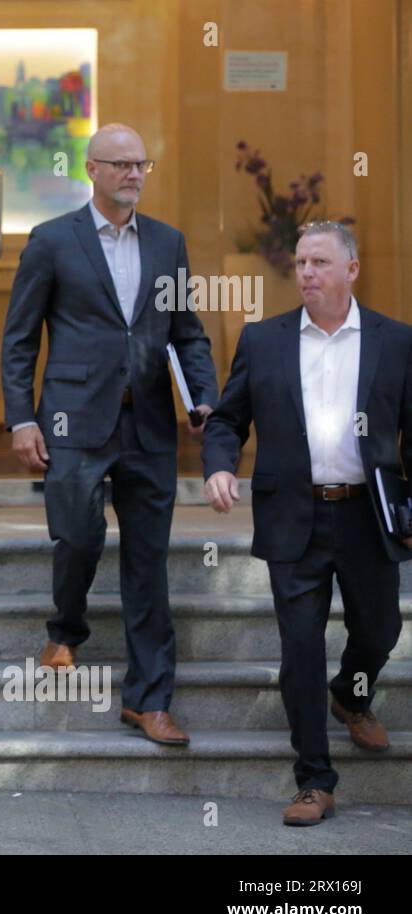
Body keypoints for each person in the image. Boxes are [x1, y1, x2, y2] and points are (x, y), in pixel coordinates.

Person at [0, 123, 218, 746]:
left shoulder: (169, 243)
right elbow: (20, 339)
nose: (133, 174)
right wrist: (22, 418)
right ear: (91, 170)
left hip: (148, 424)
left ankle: (149, 701)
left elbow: (188, 332)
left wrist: (203, 396)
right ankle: (65, 629)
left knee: (148, 562)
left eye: (141, 164)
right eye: (120, 164)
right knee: (78, 534)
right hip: (73, 419)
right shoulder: (51, 242)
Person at [202, 221, 410, 826]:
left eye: (320, 262)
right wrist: (220, 467)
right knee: (299, 646)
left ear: (352, 269)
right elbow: (226, 420)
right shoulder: (263, 341)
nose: (308, 273)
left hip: (367, 514)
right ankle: (314, 781)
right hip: (292, 513)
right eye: (300, 264)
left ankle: (350, 693)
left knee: (381, 628)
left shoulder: (395, 342)